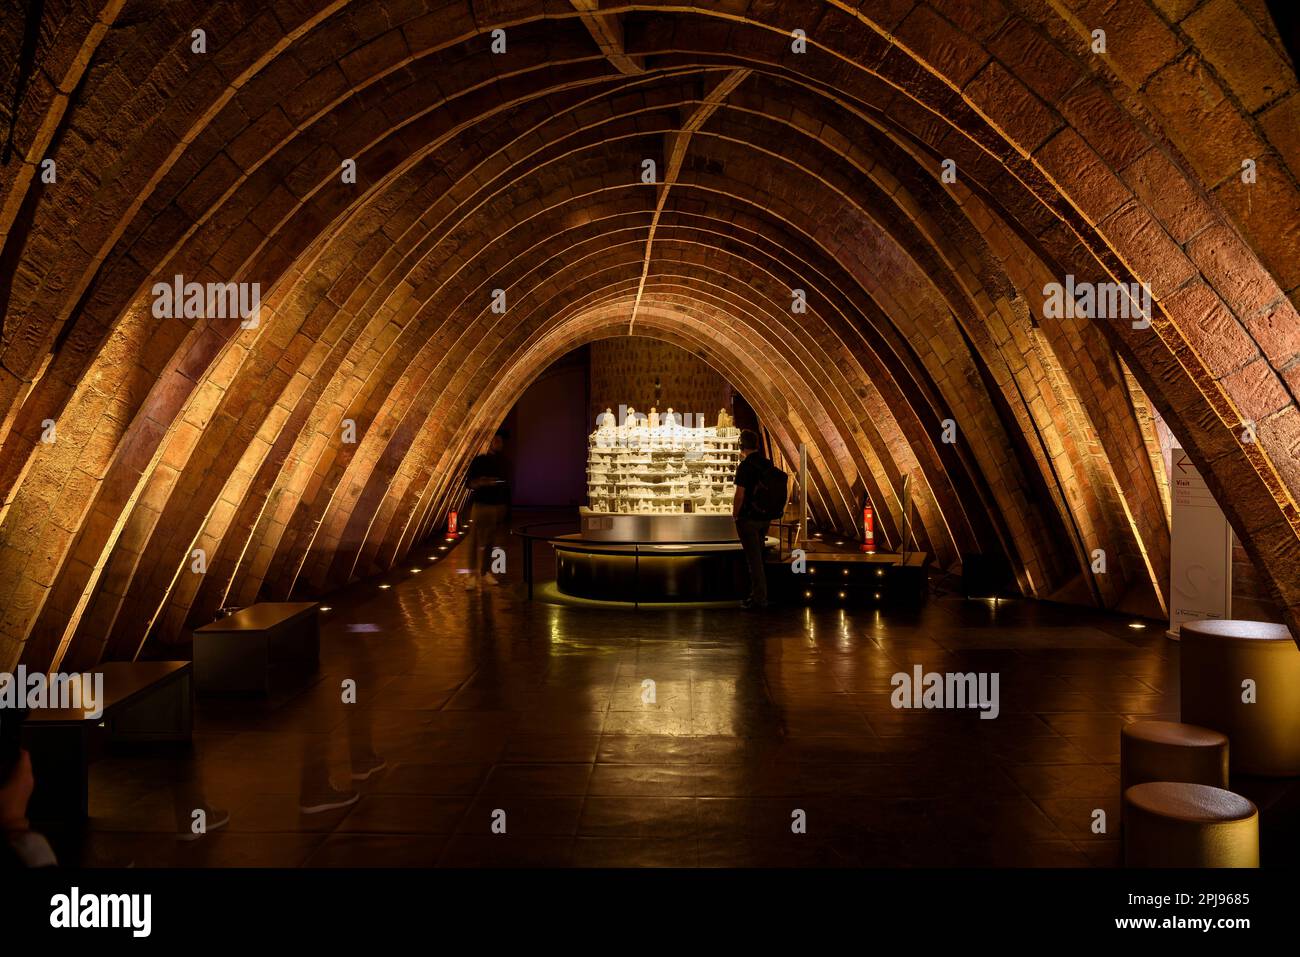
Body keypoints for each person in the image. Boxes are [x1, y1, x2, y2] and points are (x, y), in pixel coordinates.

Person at [463, 431, 511, 589]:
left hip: (495, 505)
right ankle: (471, 575)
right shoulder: (479, 461)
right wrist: (481, 482)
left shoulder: (503, 462)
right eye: (496, 441)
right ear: (490, 442)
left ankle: (485, 572)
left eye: (500, 442)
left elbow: (505, 483)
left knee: (490, 541)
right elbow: (469, 483)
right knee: (474, 541)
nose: (499, 444)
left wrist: (504, 506)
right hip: (480, 504)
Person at [732, 429, 771, 609]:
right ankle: (759, 594)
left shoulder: (745, 466)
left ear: (742, 446)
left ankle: (758, 599)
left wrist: (735, 514)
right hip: (764, 516)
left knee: (753, 560)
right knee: (759, 557)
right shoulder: (767, 464)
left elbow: (740, 494)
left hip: (748, 518)